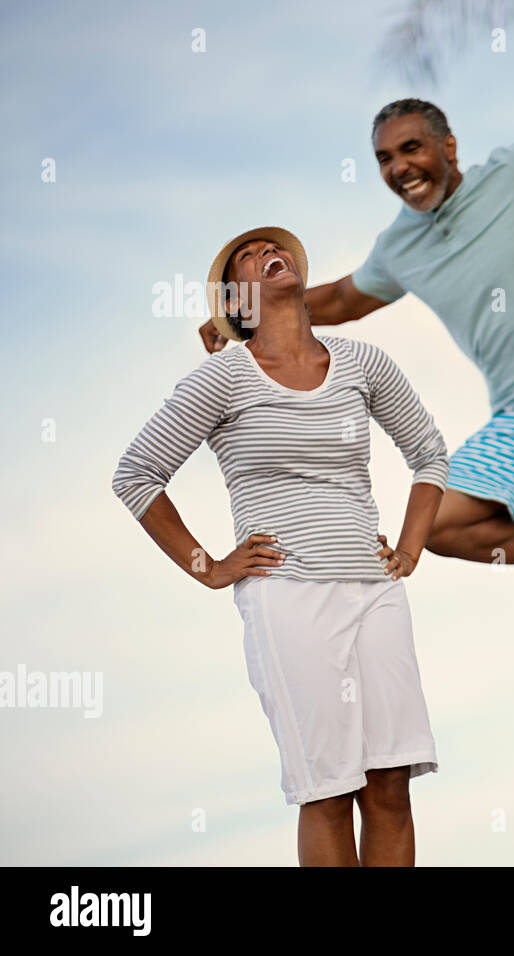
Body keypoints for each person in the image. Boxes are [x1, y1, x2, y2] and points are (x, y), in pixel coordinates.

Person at [199, 0, 514, 637]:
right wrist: (237, 315)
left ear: (448, 146)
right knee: (437, 526)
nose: (399, 167)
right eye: (384, 158)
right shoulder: (399, 248)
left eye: (410, 148)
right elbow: (339, 302)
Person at [114, 226, 449, 866]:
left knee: (390, 786)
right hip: (288, 598)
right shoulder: (223, 378)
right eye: (245, 256)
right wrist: (207, 566)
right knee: (327, 791)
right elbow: (136, 474)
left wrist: (409, 548)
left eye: (274, 248)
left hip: (376, 594)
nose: (266, 253)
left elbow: (430, 454)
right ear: (236, 303)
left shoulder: (364, 364)